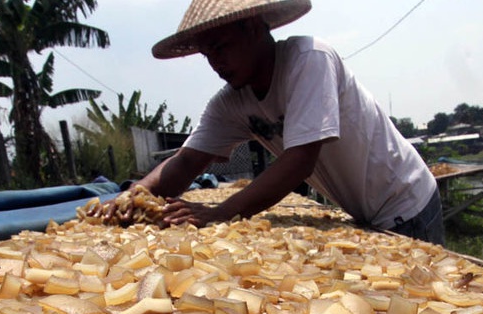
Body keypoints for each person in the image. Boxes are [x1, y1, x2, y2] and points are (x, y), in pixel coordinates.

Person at [98, 0, 444, 245]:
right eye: (207, 55)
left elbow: (299, 162)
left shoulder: (308, 59)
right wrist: (132, 199)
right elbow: (187, 161)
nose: (215, 63)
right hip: (362, 208)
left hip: (405, 202)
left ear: (250, 27)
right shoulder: (231, 102)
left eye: (220, 47)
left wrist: (219, 213)